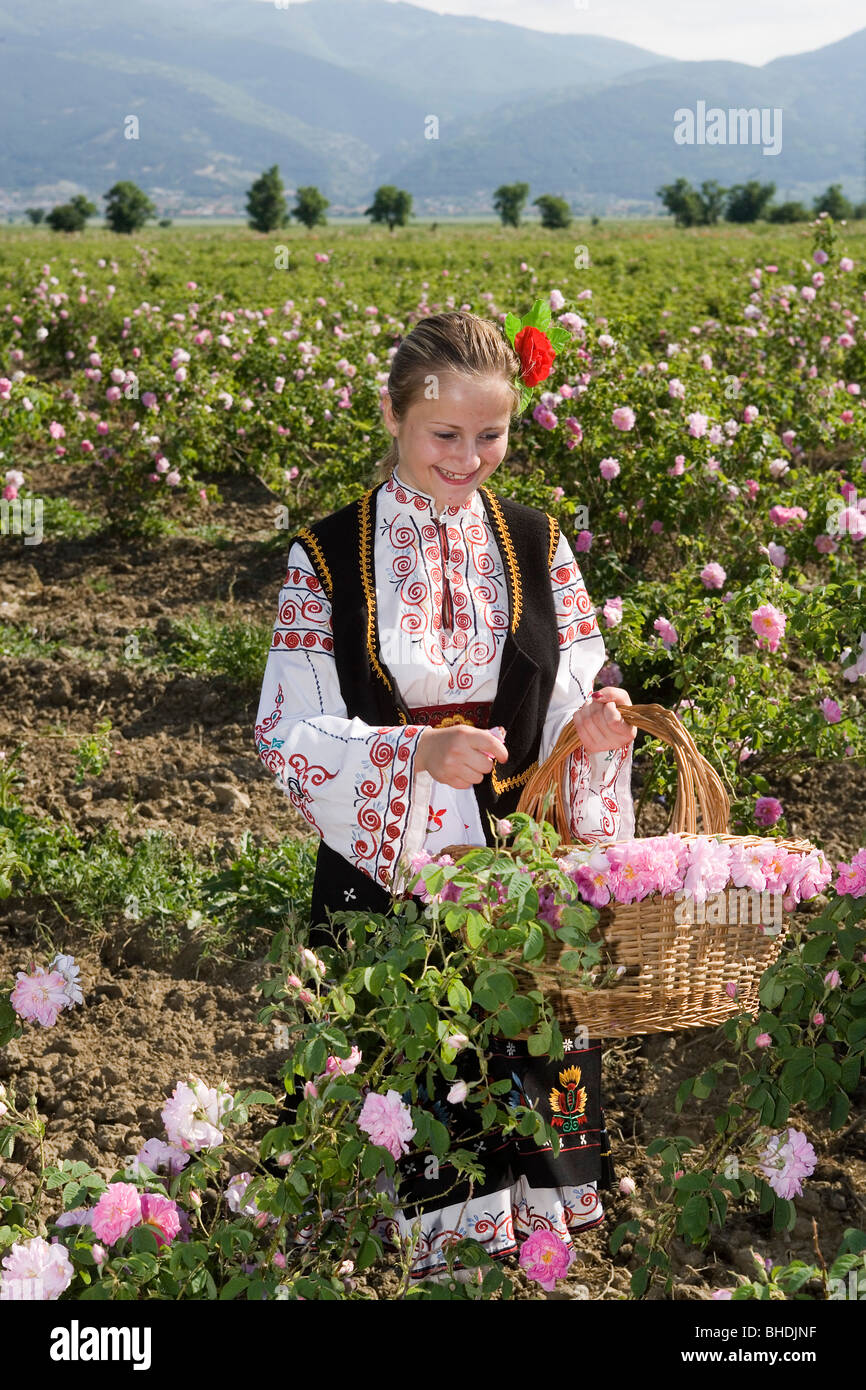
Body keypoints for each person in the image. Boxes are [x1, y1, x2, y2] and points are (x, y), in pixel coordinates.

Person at [254, 308, 637, 1284]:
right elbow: (287, 729)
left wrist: (594, 727)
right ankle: (434, 1249)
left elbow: (576, 685)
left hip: (520, 860)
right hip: (391, 866)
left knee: (531, 1024)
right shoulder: (329, 554)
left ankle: (547, 1234)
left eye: (490, 434)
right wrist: (411, 756)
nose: (468, 458)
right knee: (418, 1040)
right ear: (391, 415)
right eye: (443, 435)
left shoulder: (536, 541)